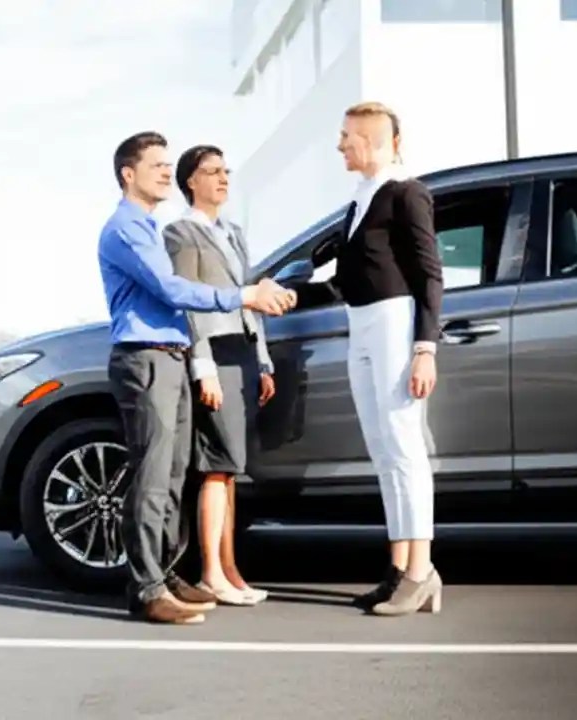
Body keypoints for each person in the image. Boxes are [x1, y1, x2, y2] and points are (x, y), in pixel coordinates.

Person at [97, 131, 296, 625]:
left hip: (170, 356)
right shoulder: (126, 230)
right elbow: (170, 288)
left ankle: (163, 573)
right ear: (128, 173)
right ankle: (145, 587)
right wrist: (242, 297)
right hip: (144, 359)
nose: (166, 172)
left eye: (169, 164)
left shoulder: (148, 225)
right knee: (151, 476)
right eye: (157, 166)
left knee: (173, 475)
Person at [299, 102, 445, 616]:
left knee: (405, 448)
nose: (340, 146)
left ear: (374, 140)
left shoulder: (407, 192)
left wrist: (424, 348)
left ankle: (422, 572)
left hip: (393, 323)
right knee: (383, 451)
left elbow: (430, 274)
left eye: (346, 137)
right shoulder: (362, 198)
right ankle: (400, 568)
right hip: (360, 323)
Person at [163, 145, 272, 607]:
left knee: (228, 471)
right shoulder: (181, 235)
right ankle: (212, 572)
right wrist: (202, 367)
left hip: (242, 352)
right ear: (191, 181)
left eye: (226, 171)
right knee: (216, 466)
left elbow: (251, 298)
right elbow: (188, 305)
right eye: (212, 172)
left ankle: (231, 570)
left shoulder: (234, 232)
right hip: (215, 356)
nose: (223, 179)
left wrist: (263, 359)